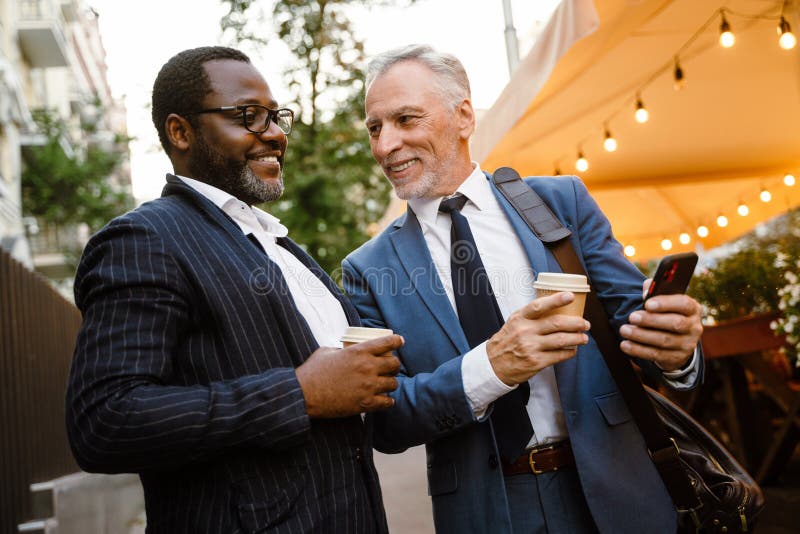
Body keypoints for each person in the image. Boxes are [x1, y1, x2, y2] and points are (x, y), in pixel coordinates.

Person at [342, 44, 704, 534]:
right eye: (375, 128)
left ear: (464, 116)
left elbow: (636, 337)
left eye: (406, 119)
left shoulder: (562, 202)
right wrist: (489, 368)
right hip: (486, 511)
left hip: (621, 488)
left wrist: (676, 351)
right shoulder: (367, 267)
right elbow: (384, 422)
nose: (385, 146)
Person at [65, 46, 403, 534]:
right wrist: (299, 393)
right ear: (180, 132)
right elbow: (103, 421)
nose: (274, 133)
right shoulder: (144, 239)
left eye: (275, 116)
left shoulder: (277, 244)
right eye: (248, 116)